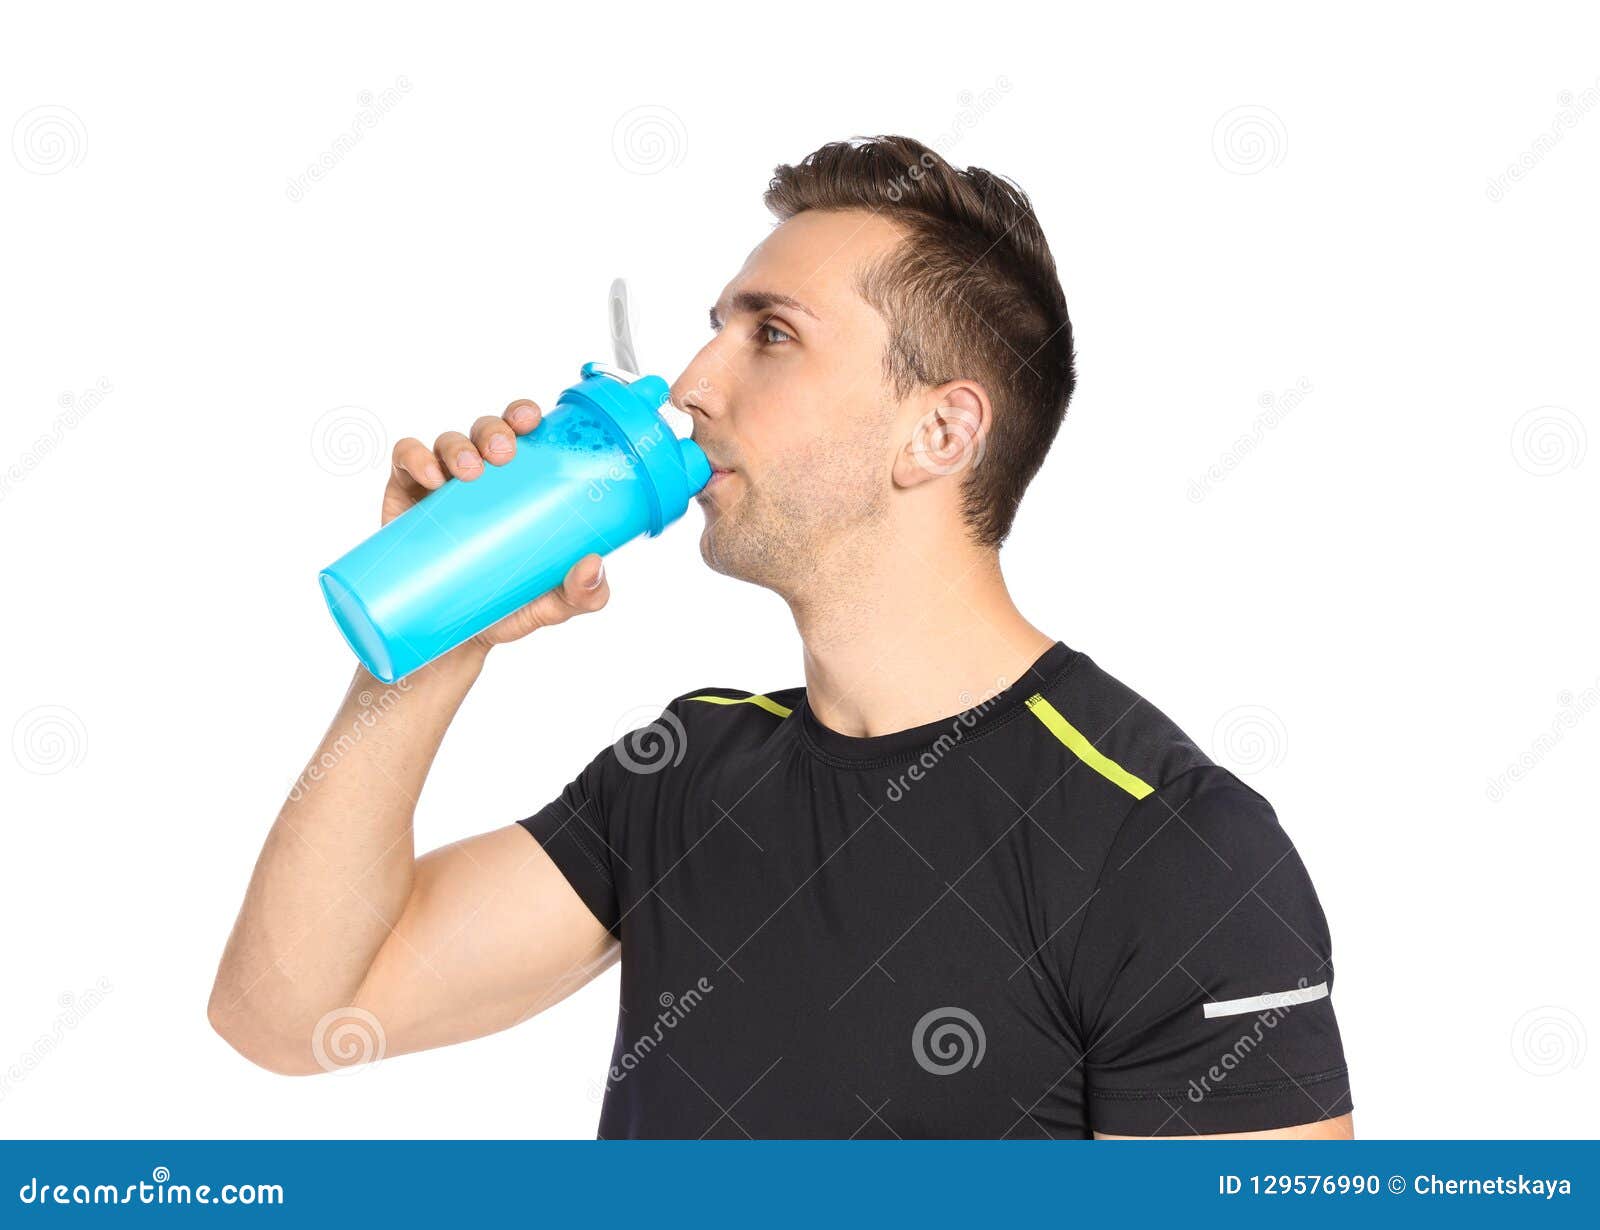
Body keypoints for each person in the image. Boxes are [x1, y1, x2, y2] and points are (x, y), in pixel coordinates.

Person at [208, 135, 1353, 1139]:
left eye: (771, 335)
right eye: (716, 330)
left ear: (938, 430)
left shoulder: (1167, 846)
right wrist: (430, 639)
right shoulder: (684, 771)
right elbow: (293, 1015)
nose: (693, 385)